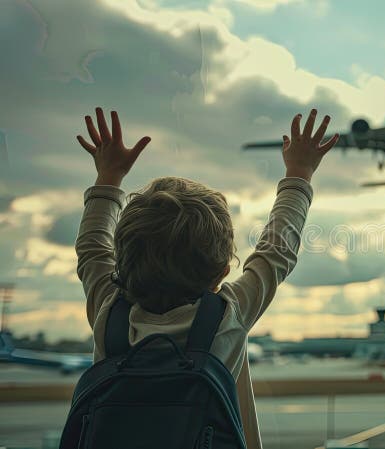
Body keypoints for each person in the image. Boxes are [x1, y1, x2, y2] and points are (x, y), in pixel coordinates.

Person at [75, 107, 338, 449]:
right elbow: (277, 250)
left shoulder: (107, 312)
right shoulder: (226, 318)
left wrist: (108, 176)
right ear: (222, 271)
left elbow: (92, 247)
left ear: (122, 261)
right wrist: (300, 172)